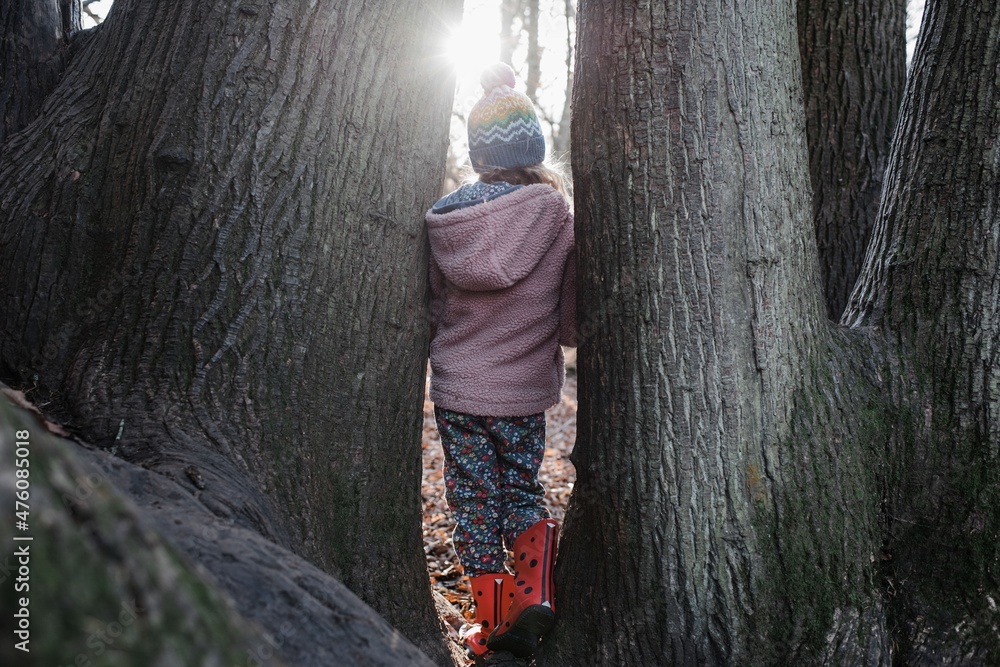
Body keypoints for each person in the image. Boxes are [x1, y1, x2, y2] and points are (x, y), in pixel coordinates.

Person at [425, 62, 576, 659]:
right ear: (532, 147)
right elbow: (568, 318)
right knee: (520, 488)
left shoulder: (447, 218)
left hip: (460, 389)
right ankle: (532, 598)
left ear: (478, 152)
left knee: (471, 501)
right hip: (521, 390)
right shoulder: (554, 215)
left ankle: (488, 628)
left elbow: (437, 305)